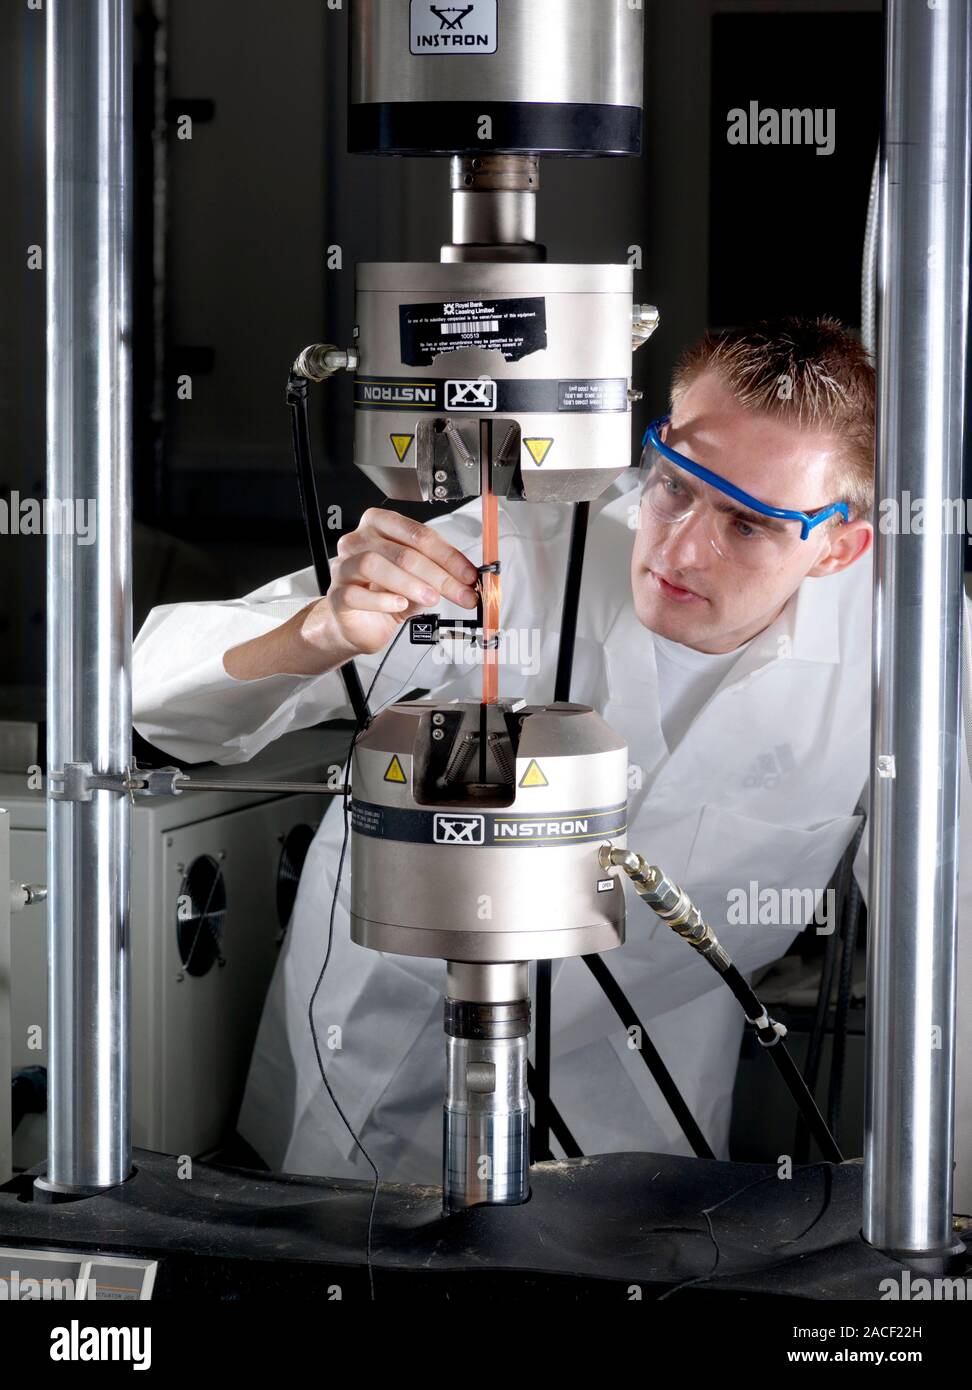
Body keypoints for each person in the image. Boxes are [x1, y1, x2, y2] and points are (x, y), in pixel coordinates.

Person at [133, 317, 896, 1182]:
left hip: (642, 1138)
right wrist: (319, 630)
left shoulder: (895, 658)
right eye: (674, 485)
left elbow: (949, 931)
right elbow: (154, 700)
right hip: (373, 1090)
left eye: (750, 524)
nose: (681, 548)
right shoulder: (514, 558)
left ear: (839, 548)